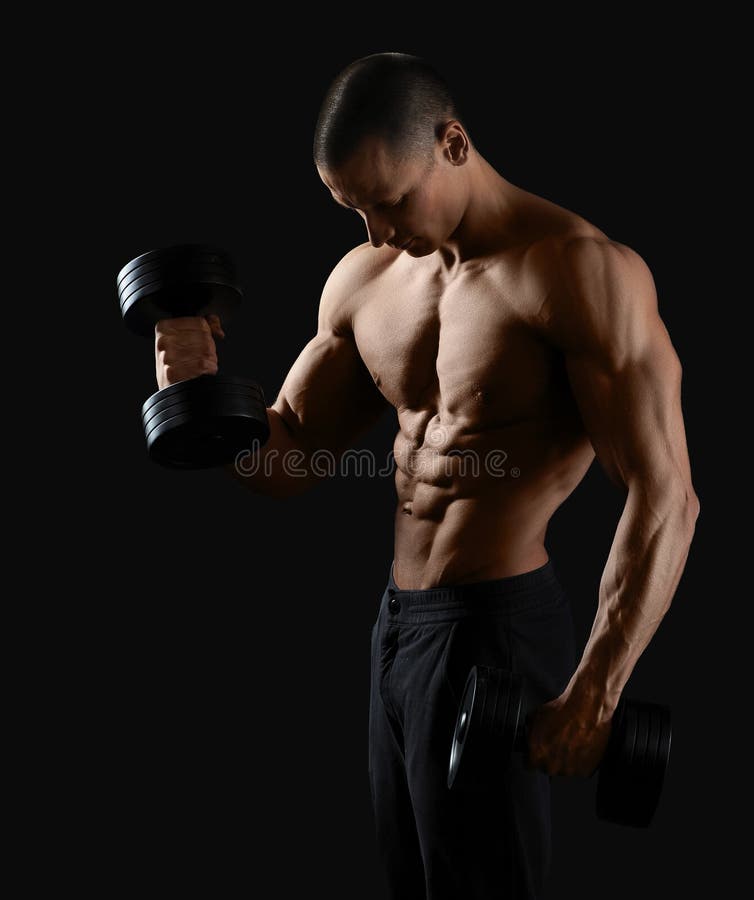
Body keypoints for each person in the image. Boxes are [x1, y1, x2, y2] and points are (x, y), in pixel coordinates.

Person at [154, 53, 700, 900]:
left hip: (500, 635)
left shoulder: (578, 272)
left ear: (454, 143)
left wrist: (598, 686)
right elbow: (290, 455)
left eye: (391, 200)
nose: (375, 232)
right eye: (353, 209)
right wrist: (199, 396)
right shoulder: (368, 282)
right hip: (399, 632)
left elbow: (666, 494)